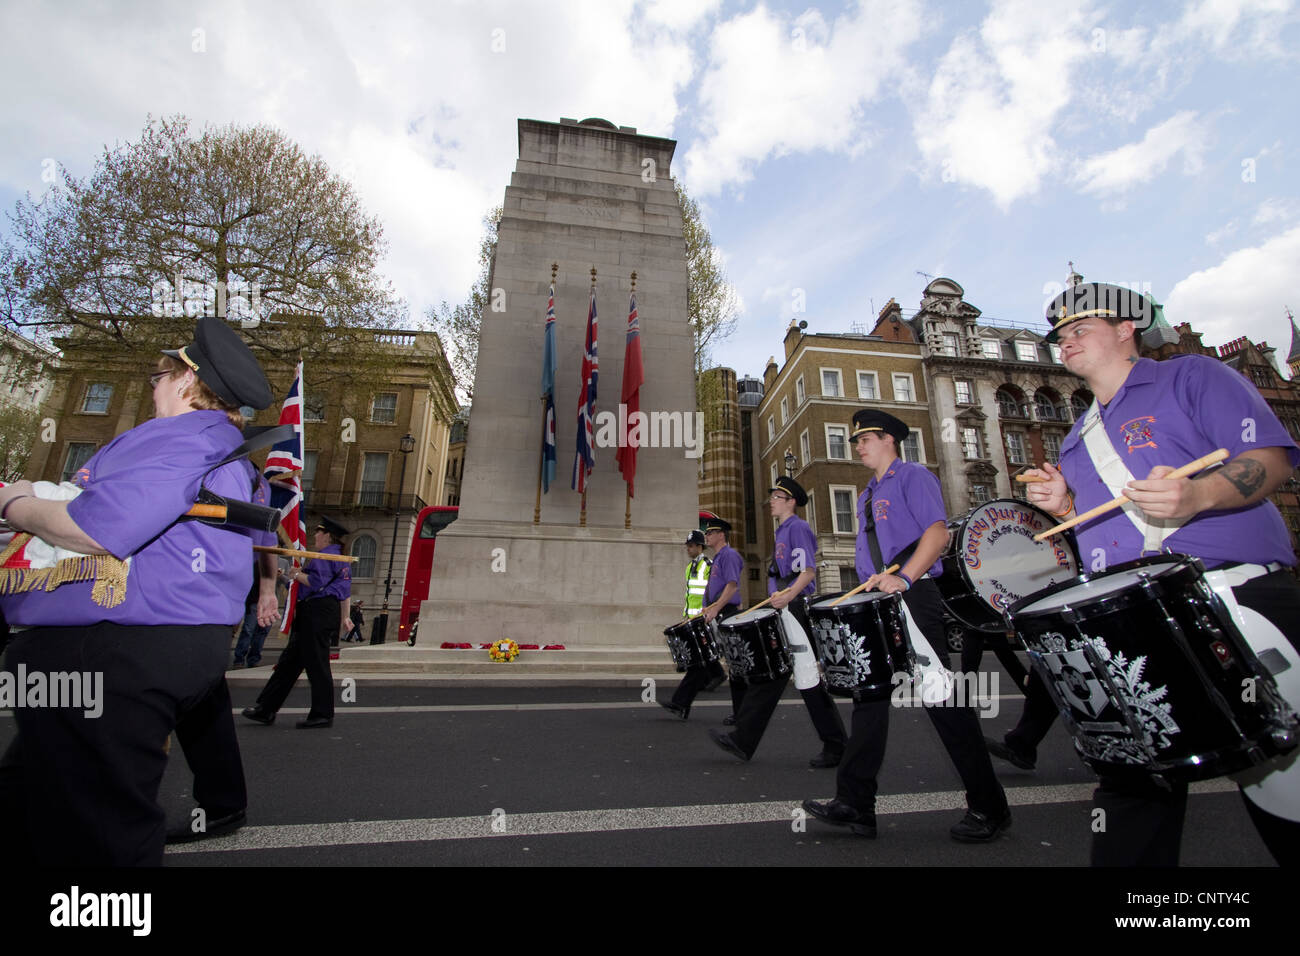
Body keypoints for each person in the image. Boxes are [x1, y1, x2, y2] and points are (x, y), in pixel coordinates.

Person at [1023, 281, 1300, 866]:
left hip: (1231, 597)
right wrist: (1066, 511)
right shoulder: (1077, 438)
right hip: (1135, 626)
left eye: (1080, 329)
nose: (1065, 342)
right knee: (1131, 789)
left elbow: (1270, 459)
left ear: (1126, 329)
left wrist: (1198, 495)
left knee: (1284, 785)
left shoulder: (1192, 377)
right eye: (1060, 336)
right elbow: (1103, 535)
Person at [0, 315, 273, 865]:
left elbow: (100, 530)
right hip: (146, 643)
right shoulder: (224, 449)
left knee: (96, 832)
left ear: (186, 383)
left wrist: (16, 504)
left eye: (158, 375)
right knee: (33, 800)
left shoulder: (183, 438)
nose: (151, 386)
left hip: (119, 646)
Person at [802, 410, 1011, 842]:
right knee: (869, 699)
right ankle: (856, 804)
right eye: (856, 440)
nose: (857, 445)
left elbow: (937, 534)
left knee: (943, 701)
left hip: (911, 597)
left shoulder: (913, 476)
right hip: (878, 600)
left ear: (889, 441)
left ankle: (990, 806)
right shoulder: (867, 494)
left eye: (865, 439)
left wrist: (906, 577)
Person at [709, 476, 847, 766]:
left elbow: (808, 572)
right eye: (771, 496)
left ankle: (836, 745)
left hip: (793, 609)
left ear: (791, 501)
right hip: (784, 608)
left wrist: (787, 597)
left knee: (804, 677)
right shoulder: (783, 530)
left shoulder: (797, 528)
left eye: (776, 497)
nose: (770, 500)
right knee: (775, 673)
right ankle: (744, 739)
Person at [243, 515, 352, 729]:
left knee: (317, 665)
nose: (315, 535)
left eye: (319, 532)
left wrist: (295, 574)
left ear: (328, 536)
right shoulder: (340, 557)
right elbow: (344, 592)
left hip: (316, 611)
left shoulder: (323, 557)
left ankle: (322, 713)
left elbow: (315, 582)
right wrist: (345, 616)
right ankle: (266, 708)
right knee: (289, 664)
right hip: (321, 611)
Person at [660, 530, 725, 718]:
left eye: (691, 546)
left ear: (699, 546)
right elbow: (690, 595)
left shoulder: (708, 565)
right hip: (691, 620)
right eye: (687, 546)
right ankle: (713, 676)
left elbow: (713, 592)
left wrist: (708, 613)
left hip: (702, 620)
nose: (688, 549)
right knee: (699, 663)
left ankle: (680, 703)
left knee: (697, 664)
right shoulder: (689, 567)